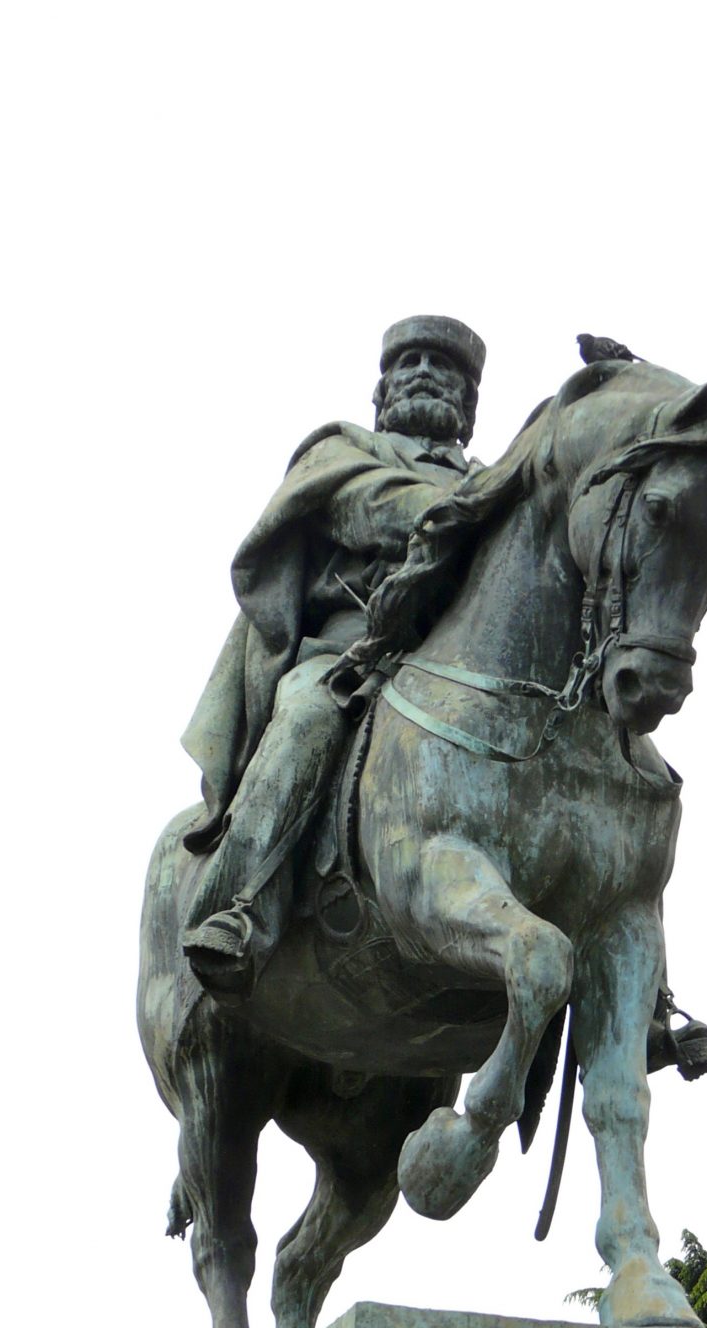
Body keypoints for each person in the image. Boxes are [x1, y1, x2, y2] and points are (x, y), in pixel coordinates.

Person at [180, 315, 487, 998]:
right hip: (349, 653)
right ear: (380, 392)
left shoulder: (495, 483)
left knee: (604, 753)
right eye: (407, 361)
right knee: (309, 718)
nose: (425, 372)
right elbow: (374, 507)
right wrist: (495, 506)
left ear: (469, 405)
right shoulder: (343, 450)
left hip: (468, 668)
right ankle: (240, 908)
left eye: (445, 368)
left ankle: (637, 992)